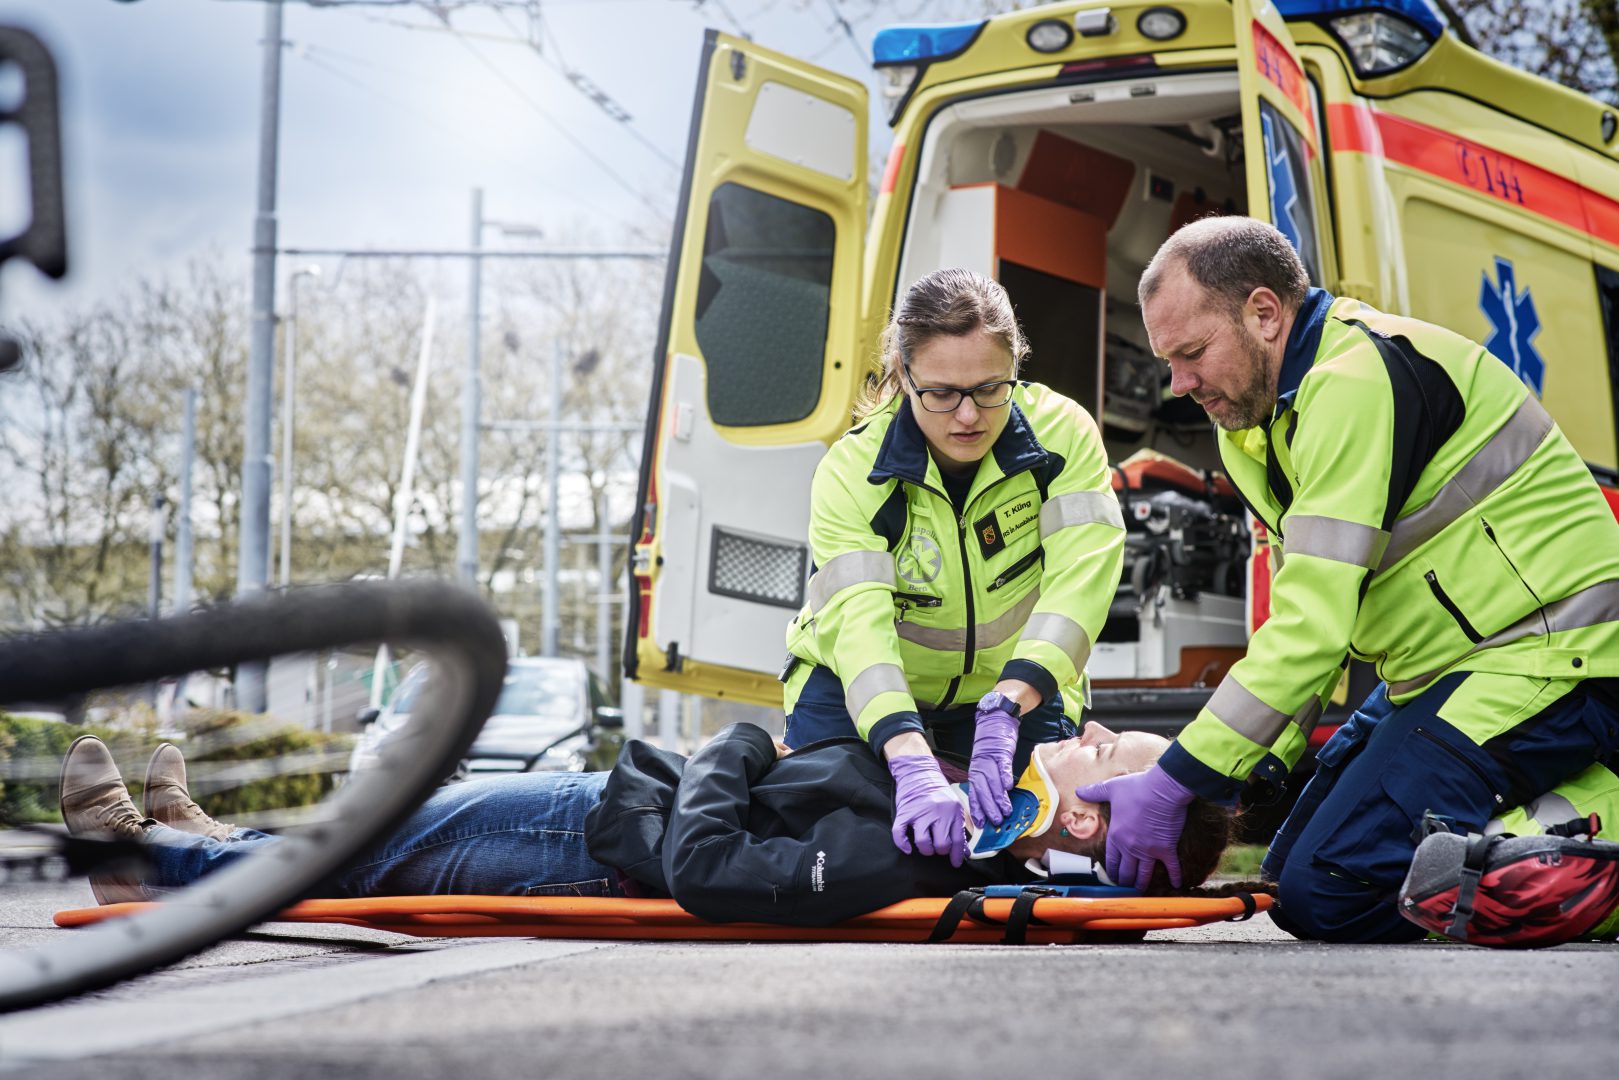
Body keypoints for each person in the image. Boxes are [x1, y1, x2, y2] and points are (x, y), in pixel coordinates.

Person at [1080, 215, 1619, 943]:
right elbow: (1307, 617)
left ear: (1264, 313)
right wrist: (1261, 764)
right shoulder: (1252, 427)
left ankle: (1599, 821)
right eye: (1166, 360)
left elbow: (1313, 625)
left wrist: (1181, 776)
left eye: (1192, 353)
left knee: (1335, 891)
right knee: (1287, 878)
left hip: (1556, 659)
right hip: (1450, 671)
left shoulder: (1353, 380)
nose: (1177, 385)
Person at [56, 721, 1230, 925]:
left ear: (1082, 818)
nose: (1078, 737)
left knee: (369, 845)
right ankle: (189, 854)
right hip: (605, 817)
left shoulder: (933, 849)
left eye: (1100, 757)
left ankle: (140, 859)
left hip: (590, 845)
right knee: (367, 833)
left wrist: (734, 748)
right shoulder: (965, 818)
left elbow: (712, 869)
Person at [780, 268, 1126, 866]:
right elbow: (860, 631)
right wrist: (908, 757)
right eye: (941, 393)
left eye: (991, 388)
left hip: (1015, 688)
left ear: (1016, 366)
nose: (968, 415)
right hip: (860, 687)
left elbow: (1080, 584)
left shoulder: (1063, 437)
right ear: (902, 373)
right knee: (834, 839)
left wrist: (1011, 701)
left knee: (1038, 840)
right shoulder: (852, 474)